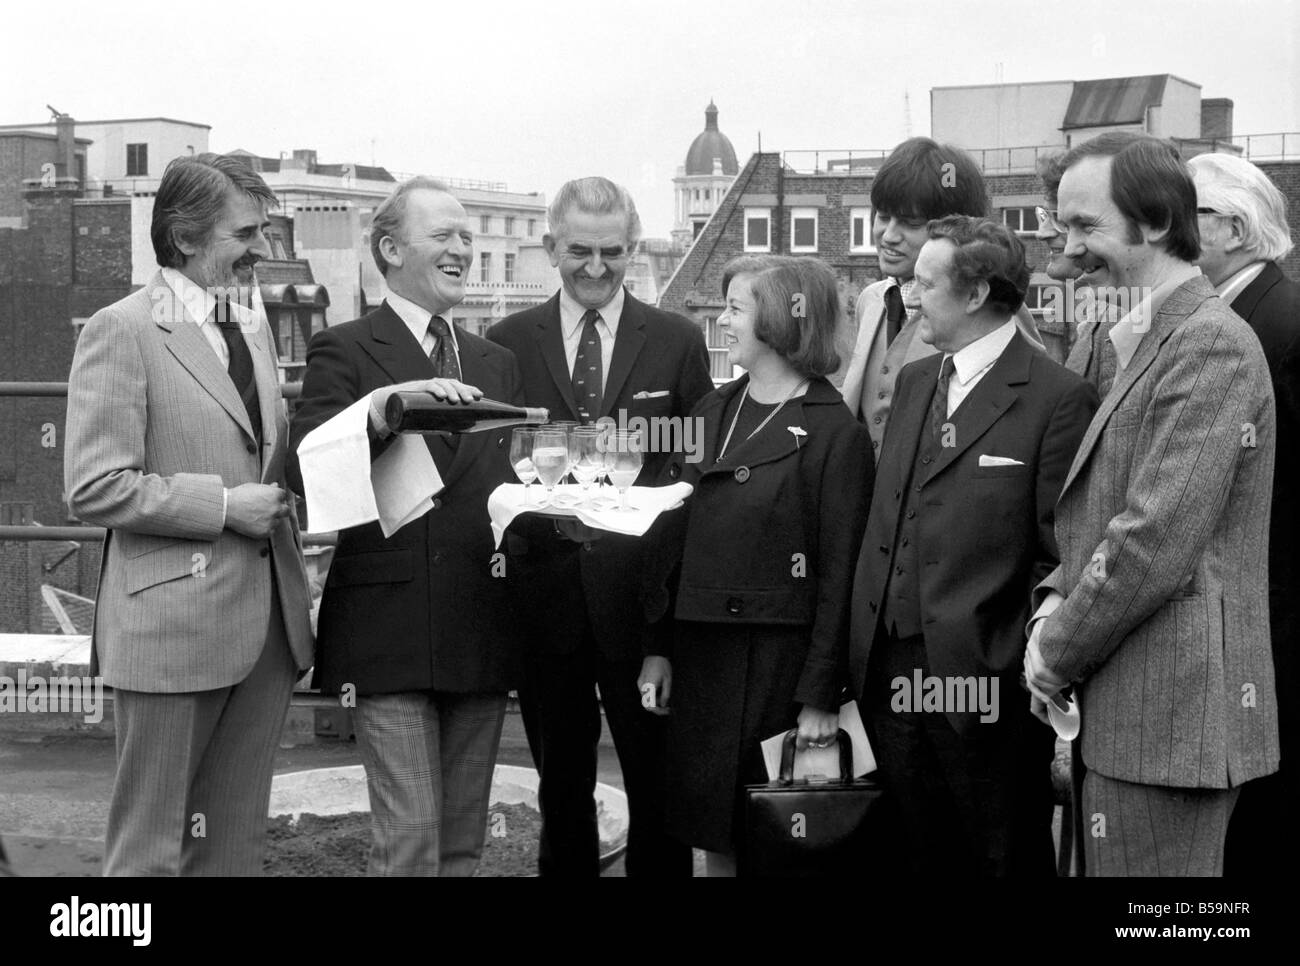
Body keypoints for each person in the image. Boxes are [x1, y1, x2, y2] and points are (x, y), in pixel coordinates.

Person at [1023, 133, 1280, 876]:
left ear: (1159, 223)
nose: (1067, 250)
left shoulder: (1211, 345)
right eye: (1061, 225)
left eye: (1084, 226)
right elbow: (1090, 514)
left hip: (1172, 729)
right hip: (1126, 722)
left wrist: (1053, 651)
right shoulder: (1116, 339)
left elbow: (1153, 538)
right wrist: (1050, 607)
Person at [64, 153, 315, 875]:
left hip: (267, 632)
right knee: (148, 854)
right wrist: (225, 506)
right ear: (184, 236)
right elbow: (94, 485)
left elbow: (267, 454)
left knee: (231, 851)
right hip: (171, 635)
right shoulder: (122, 330)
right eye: (246, 232)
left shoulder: (252, 327)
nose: (262, 249)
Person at [287, 176, 524, 876]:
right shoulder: (345, 349)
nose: (463, 249)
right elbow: (307, 475)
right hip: (388, 634)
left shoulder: (495, 362)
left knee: (461, 846)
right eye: (444, 236)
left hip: (480, 628)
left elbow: (501, 489)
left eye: (467, 238)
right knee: (410, 843)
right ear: (390, 248)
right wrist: (386, 408)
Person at [848, 216, 1097, 877]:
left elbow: (1060, 553)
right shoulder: (914, 381)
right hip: (888, 680)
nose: (909, 295)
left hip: (985, 694)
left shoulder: (1058, 399)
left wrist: (1005, 666)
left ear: (978, 292)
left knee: (999, 857)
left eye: (925, 284)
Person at [487, 177, 711, 877]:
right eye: (578, 250)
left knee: (656, 785)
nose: (594, 267)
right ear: (551, 246)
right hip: (542, 596)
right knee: (560, 787)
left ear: (634, 248)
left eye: (612, 252)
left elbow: (694, 476)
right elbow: (492, 464)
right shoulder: (506, 342)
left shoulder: (675, 340)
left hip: (643, 605)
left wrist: (669, 614)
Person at [639, 255, 872, 876]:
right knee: (712, 836)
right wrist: (658, 646)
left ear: (778, 320)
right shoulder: (710, 413)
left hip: (781, 672)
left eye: (736, 308)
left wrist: (821, 695)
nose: (722, 321)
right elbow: (671, 537)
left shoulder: (835, 434)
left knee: (777, 846)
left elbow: (842, 575)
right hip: (703, 662)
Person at [1189, 152, 1300, 878]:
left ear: (1229, 228)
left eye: (1182, 214)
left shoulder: (1277, 324)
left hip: (1275, 620)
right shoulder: (1237, 314)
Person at [837, 137, 1045, 459]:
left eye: (910, 223)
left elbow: (1033, 406)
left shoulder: (995, 310)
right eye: (882, 216)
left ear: (956, 228)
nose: (888, 235)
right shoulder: (871, 299)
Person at [1035, 152, 1119, 397]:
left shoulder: (1127, 322)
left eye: (1060, 221)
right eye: (1045, 215)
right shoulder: (1091, 309)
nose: (1042, 233)